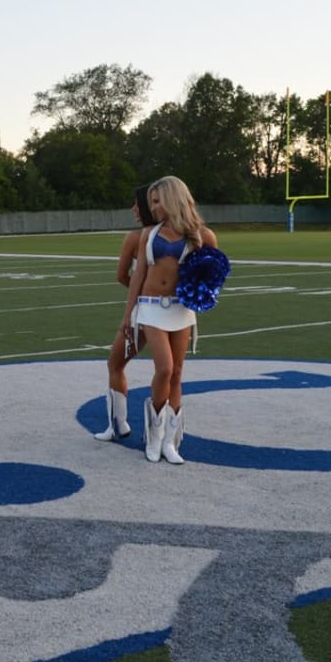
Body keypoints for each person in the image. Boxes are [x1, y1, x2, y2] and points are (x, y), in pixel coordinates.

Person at [121, 176, 218, 464]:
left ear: (172, 199)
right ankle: (153, 436)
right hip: (151, 307)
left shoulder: (201, 236)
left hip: (180, 309)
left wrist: (202, 295)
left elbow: (213, 274)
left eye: (156, 200)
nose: (153, 207)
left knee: (177, 374)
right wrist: (129, 315)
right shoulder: (149, 235)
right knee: (164, 368)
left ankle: (170, 442)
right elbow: (138, 275)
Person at [94, 183, 158, 441]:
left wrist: (141, 292)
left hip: (143, 312)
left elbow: (122, 275)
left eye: (137, 203)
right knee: (169, 371)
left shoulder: (136, 237)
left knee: (116, 363)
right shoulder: (175, 234)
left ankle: (118, 424)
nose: (133, 209)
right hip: (172, 312)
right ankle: (160, 436)